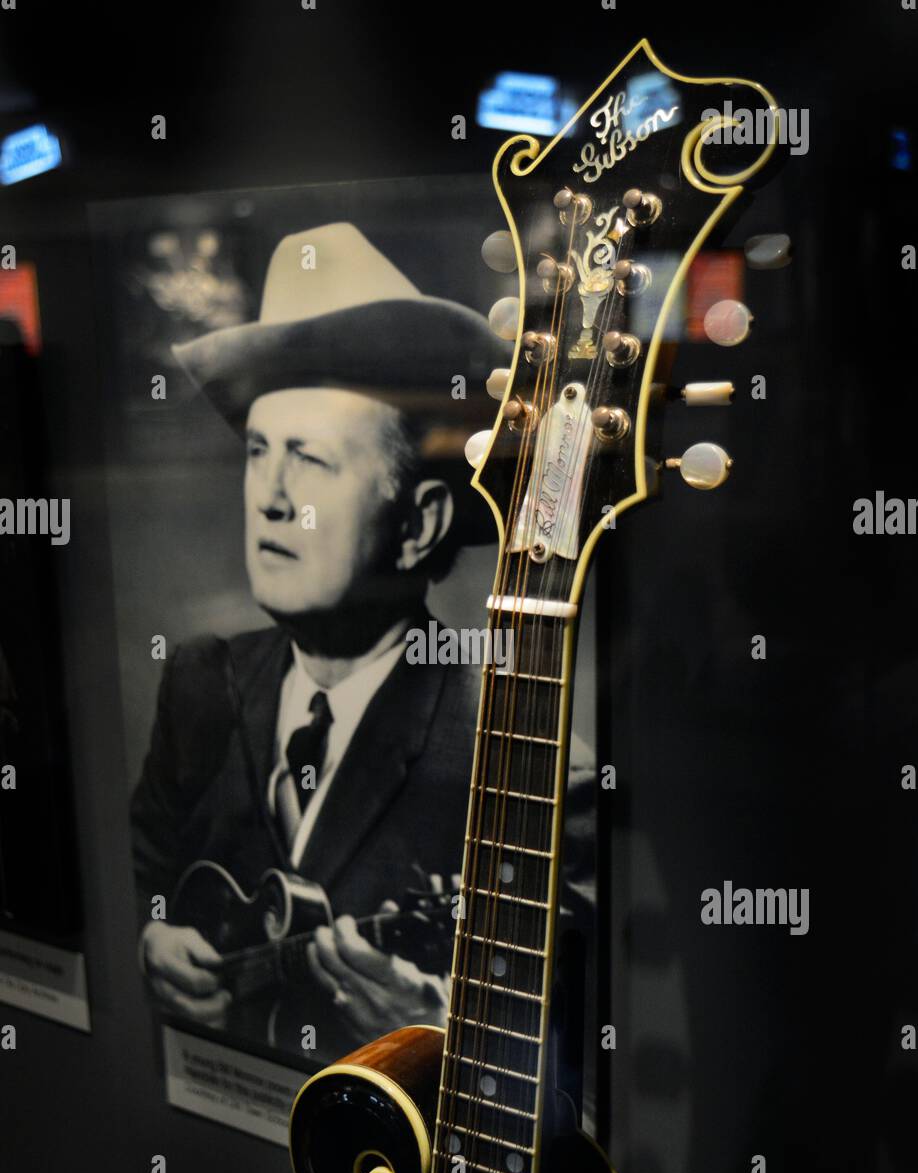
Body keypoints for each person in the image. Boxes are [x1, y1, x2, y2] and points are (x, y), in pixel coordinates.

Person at [132, 222, 595, 1068]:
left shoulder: (515, 747)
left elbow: (581, 1021)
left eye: (309, 461)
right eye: (259, 453)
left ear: (418, 525)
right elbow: (151, 868)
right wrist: (155, 935)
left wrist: (452, 1025)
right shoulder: (201, 681)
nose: (270, 498)